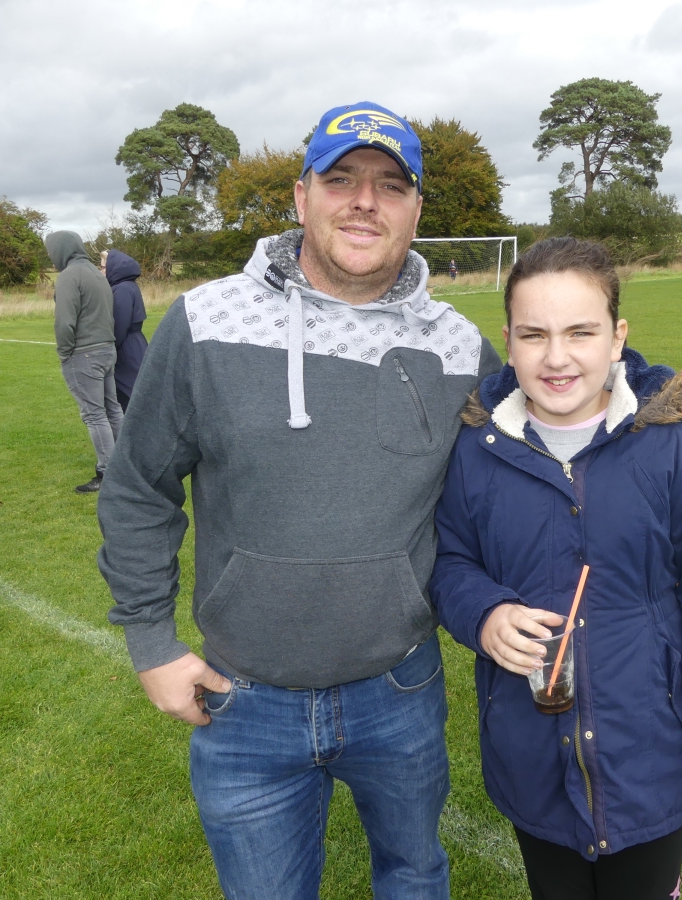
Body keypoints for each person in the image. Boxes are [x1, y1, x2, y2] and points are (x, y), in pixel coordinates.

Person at [96, 101, 502, 900]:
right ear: (300, 194)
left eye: (390, 186)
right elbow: (140, 484)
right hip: (243, 699)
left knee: (416, 874)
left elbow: (546, 439)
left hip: (401, 687)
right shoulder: (207, 320)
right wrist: (150, 638)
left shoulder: (458, 344)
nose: (364, 201)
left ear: (416, 209)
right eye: (341, 178)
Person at [431, 237, 682, 900]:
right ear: (509, 341)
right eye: (534, 334)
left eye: (581, 332)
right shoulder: (477, 448)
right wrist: (484, 614)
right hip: (531, 760)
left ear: (617, 338)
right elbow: (450, 562)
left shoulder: (668, 446)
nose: (556, 357)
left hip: (651, 758)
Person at [46, 231, 122, 494]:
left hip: (84, 353)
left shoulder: (69, 276)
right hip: (107, 349)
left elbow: (64, 320)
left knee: (95, 414)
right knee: (112, 409)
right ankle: (125, 465)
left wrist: (64, 353)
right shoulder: (94, 272)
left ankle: (108, 472)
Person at [101, 249, 149, 411]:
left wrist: (108, 347)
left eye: (103, 267)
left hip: (127, 348)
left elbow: (119, 326)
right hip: (133, 343)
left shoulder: (121, 289)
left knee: (130, 396)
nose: (101, 271)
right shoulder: (127, 286)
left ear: (114, 268)